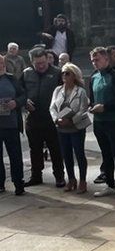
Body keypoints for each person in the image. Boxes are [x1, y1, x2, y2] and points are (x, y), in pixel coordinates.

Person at [88, 47, 115, 202]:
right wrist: (91, 106)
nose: (95, 63)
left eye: (97, 60)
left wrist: (105, 107)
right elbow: (92, 97)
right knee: (106, 154)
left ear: (106, 60)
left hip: (114, 121)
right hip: (99, 122)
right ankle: (110, 184)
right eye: (93, 60)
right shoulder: (94, 77)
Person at [21, 47, 65, 188]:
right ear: (31, 62)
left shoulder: (57, 73)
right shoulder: (26, 74)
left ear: (47, 60)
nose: (40, 66)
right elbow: (19, 93)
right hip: (33, 118)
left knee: (56, 149)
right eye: (37, 64)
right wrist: (24, 102)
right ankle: (36, 176)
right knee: (35, 149)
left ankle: (59, 176)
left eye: (43, 63)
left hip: (52, 119)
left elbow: (65, 94)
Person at [49, 62, 91, 193]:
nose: (64, 76)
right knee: (66, 155)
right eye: (63, 73)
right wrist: (57, 119)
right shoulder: (58, 90)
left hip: (76, 128)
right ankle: (71, 179)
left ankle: (83, 181)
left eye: (67, 73)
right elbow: (52, 108)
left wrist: (71, 120)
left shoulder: (81, 91)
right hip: (61, 128)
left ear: (74, 76)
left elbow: (83, 110)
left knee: (79, 154)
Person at [0, 54, 26, 195]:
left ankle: (18, 183)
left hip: (11, 125)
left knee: (15, 155)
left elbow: (23, 96)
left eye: (1, 62)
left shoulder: (11, 79)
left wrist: (15, 103)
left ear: (4, 64)